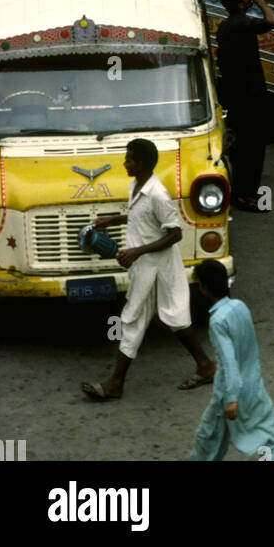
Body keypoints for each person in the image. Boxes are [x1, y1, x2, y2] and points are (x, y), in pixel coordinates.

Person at [82, 138, 215, 400]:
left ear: (141, 164)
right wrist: (112, 220)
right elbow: (139, 216)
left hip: (159, 267)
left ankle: (116, 384)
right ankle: (205, 365)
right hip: (145, 267)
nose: (125, 163)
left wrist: (136, 251)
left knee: (138, 319)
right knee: (168, 317)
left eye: (129, 159)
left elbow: (175, 234)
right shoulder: (136, 186)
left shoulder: (157, 194)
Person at [190, 260, 274, 462]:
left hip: (229, 394)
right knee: (264, 438)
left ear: (205, 289)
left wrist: (232, 398)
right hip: (254, 389)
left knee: (207, 439)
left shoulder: (217, 321)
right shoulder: (240, 306)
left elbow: (228, 362)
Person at [216, 0, 274, 209]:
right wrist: (262, 1)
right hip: (249, 95)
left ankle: (240, 191)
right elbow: (272, 21)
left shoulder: (225, 26)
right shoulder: (243, 24)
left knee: (242, 146)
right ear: (242, 4)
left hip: (235, 94)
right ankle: (245, 196)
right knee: (253, 147)